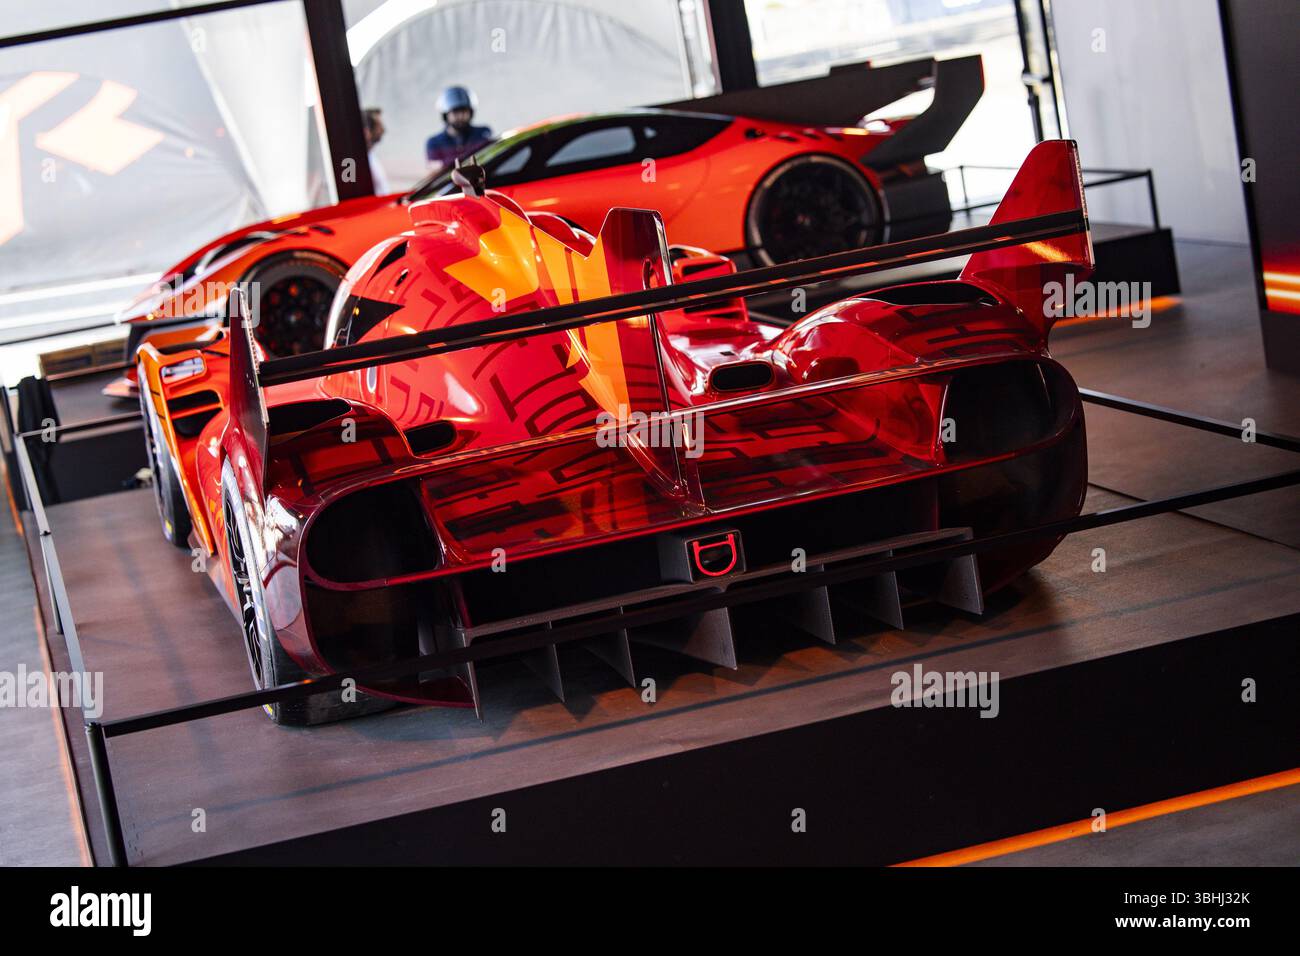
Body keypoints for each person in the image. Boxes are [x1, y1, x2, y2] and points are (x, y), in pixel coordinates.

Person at [425, 85, 492, 172]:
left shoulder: (482, 133)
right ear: (446, 115)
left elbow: (488, 159)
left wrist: (446, 162)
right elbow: (435, 170)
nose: (460, 116)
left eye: (464, 111)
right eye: (455, 112)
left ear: (471, 113)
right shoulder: (434, 143)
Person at [363, 107, 391, 194]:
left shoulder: (371, 157)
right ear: (367, 131)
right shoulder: (352, 162)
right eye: (379, 126)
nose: (383, 130)